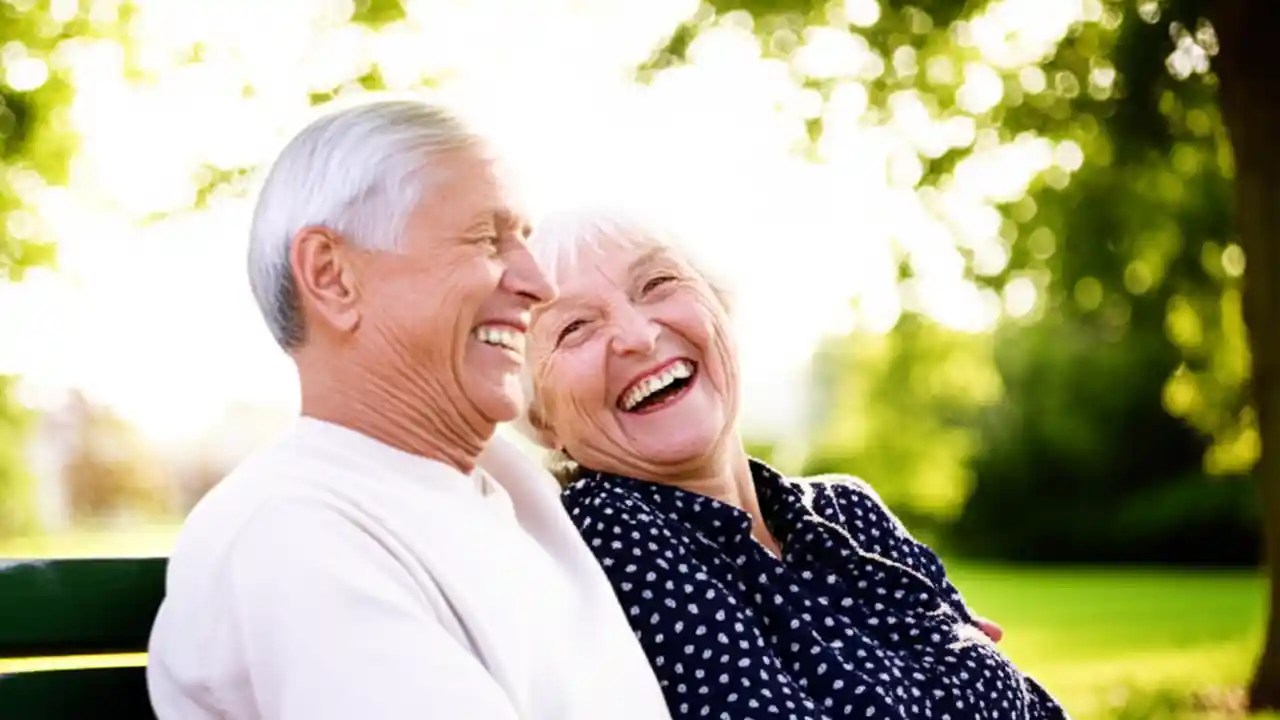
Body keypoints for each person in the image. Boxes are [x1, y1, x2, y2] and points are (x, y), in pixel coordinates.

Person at [146, 102, 671, 720]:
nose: (539, 284)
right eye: (487, 239)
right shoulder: (294, 533)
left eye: (524, 241)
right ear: (333, 277)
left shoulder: (511, 490)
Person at [519, 210, 1069, 719]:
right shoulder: (611, 533)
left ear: (719, 307)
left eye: (657, 284)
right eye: (575, 329)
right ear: (540, 418)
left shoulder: (846, 509)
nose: (637, 336)